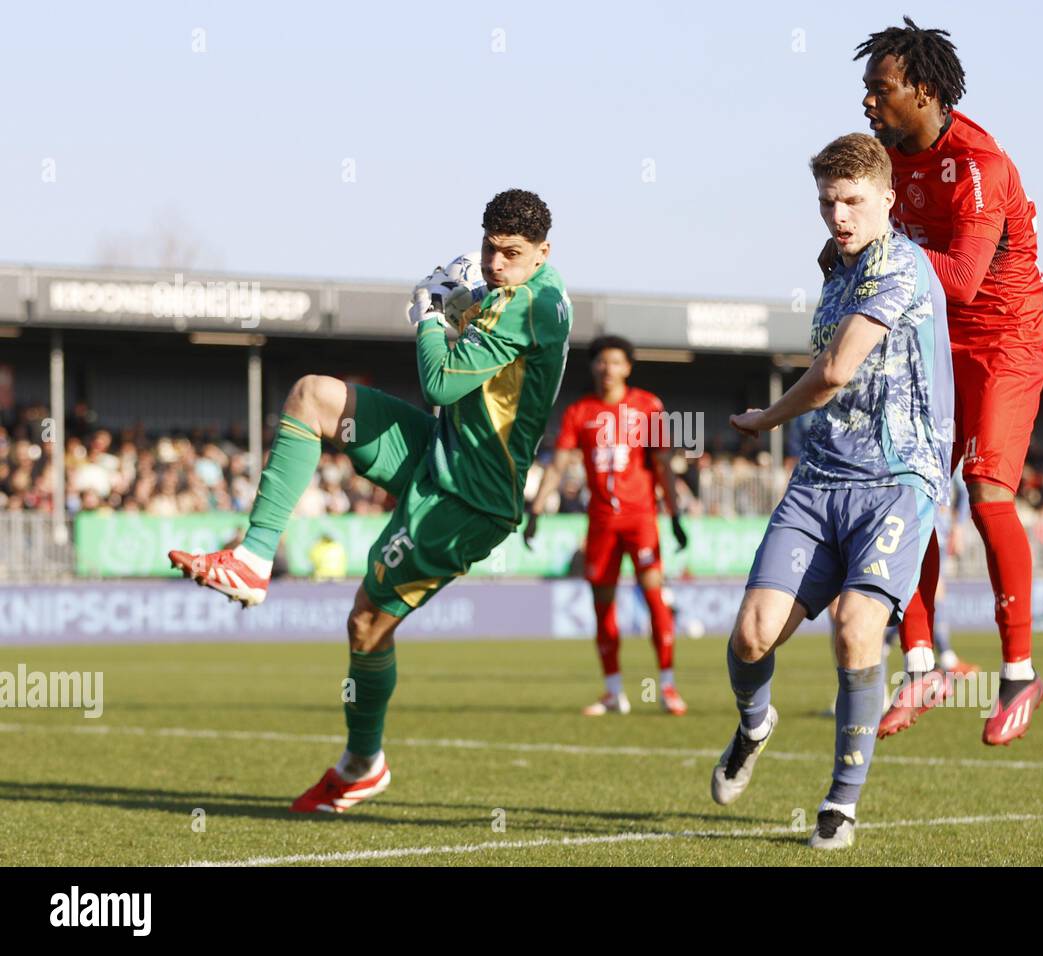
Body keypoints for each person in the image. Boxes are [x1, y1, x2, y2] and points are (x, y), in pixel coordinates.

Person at [168, 189, 572, 812]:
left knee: (365, 623)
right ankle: (252, 558)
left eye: (511, 255)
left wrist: (435, 314)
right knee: (313, 397)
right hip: (440, 450)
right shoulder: (521, 292)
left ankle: (363, 763)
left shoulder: (532, 303)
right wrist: (467, 308)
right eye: (490, 249)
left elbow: (439, 380)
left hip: (469, 496)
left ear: (543, 252)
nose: (495, 264)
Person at [713, 132, 952, 849]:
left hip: (895, 481)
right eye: (827, 202)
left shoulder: (900, 269)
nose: (839, 214)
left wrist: (765, 418)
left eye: (852, 200)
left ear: (886, 197)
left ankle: (841, 804)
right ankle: (755, 725)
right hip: (819, 481)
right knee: (752, 636)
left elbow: (835, 373)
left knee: (855, 625)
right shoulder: (837, 272)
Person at [832, 18, 1043, 746]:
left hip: (1005, 340)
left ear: (922, 91)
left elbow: (959, 282)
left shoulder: (980, 164)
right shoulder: (889, 157)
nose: (867, 101)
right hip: (937, 343)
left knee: (988, 496)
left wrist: (877, 254)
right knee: (913, 492)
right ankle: (923, 662)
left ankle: (1018, 672)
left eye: (880, 88)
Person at [525, 336, 689, 716]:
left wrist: (675, 514)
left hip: (641, 520)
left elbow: (662, 464)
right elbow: (560, 464)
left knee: (654, 598)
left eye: (615, 362)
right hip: (600, 523)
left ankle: (666, 686)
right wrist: (535, 510)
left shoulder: (649, 407)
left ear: (627, 368)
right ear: (594, 367)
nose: (607, 368)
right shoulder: (579, 412)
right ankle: (614, 691)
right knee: (602, 606)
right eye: (601, 362)